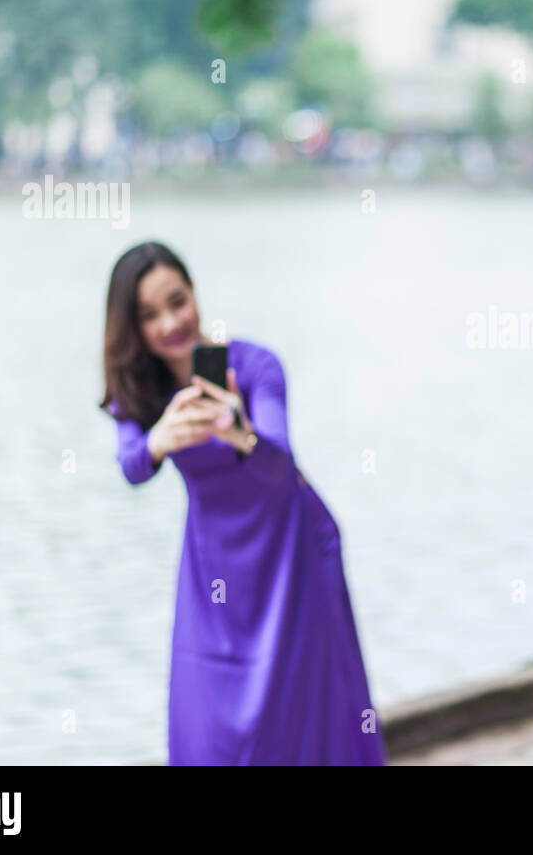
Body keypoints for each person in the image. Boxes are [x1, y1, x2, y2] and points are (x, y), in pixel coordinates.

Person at [99, 241, 385, 765]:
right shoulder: (141, 390)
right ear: (131, 327)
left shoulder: (254, 366)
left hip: (292, 550)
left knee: (303, 709)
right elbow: (132, 466)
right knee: (207, 717)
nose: (170, 322)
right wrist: (160, 437)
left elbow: (281, 466)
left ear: (195, 295)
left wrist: (239, 431)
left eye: (177, 301)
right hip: (213, 568)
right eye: (149, 315)